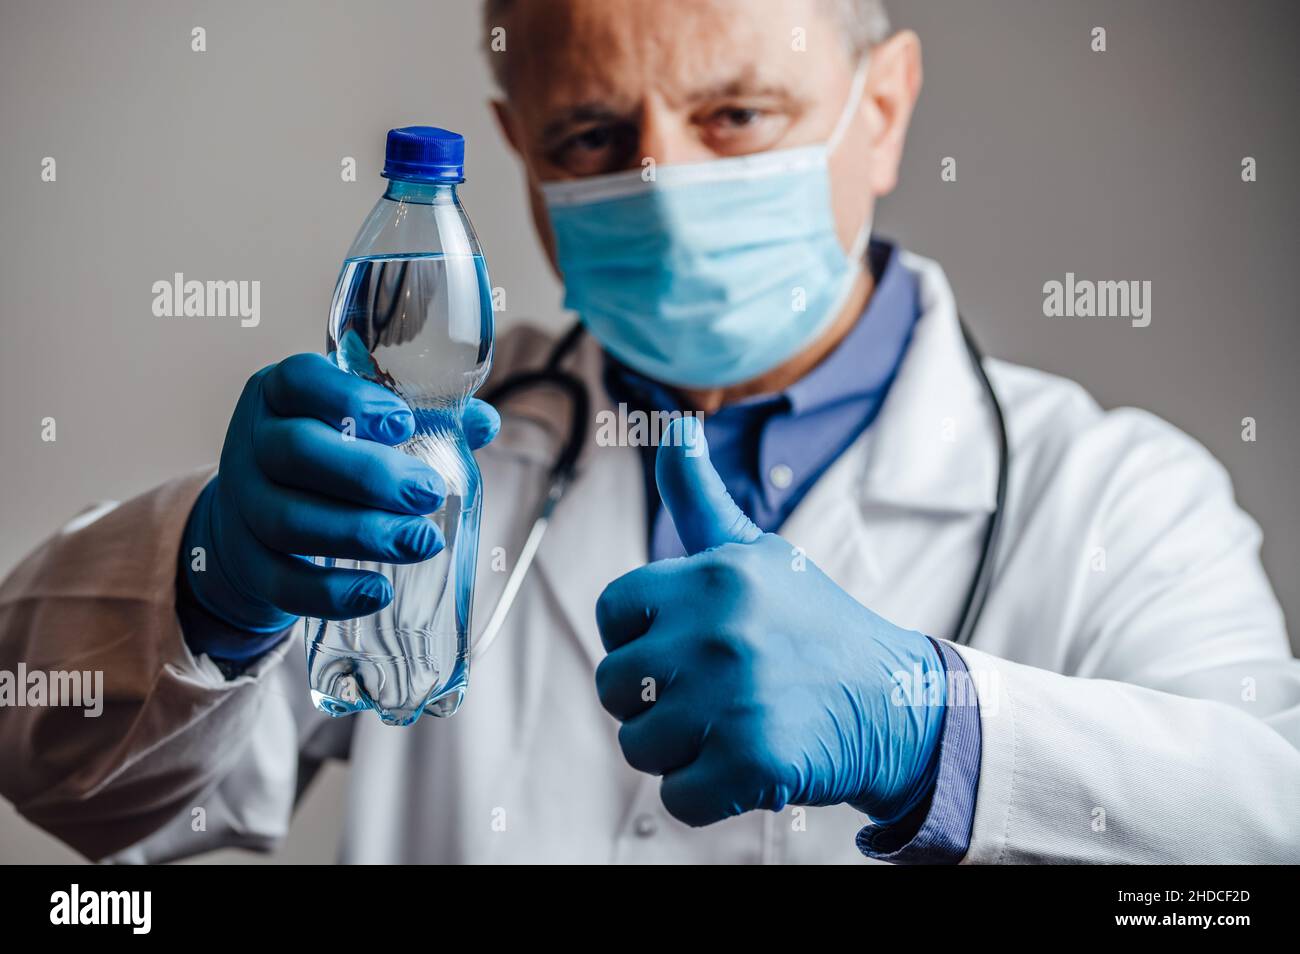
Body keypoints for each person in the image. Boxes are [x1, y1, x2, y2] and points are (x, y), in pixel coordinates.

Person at [1, 0, 1297, 864]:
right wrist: (212, 585)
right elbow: (56, 760)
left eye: (737, 116)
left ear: (884, 107)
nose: (666, 186)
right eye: (591, 134)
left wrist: (936, 729)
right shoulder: (426, 452)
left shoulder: (1118, 500)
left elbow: (1267, 819)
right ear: (516, 153)